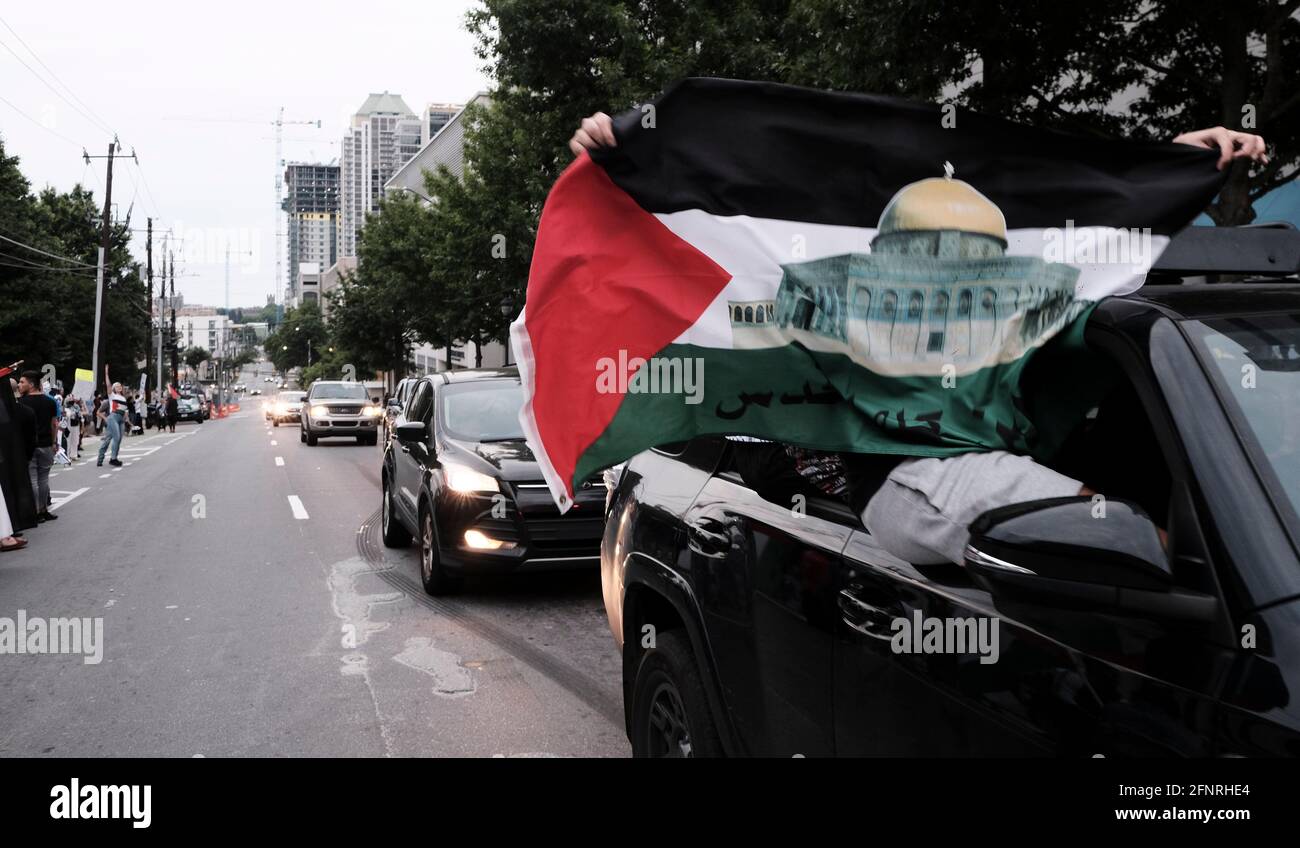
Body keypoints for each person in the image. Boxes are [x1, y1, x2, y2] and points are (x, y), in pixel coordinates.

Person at [570, 112, 1268, 565]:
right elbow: (709, 272)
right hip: (911, 476)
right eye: (925, 261)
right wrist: (628, 155)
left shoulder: (1047, 313)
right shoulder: (826, 314)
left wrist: (1169, 173)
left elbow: (1110, 268)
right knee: (1140, 547)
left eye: (972, 267)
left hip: (1001, 471)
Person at [16, 371, 59, 522]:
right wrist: (54, 443)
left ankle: (35, 512)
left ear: (32, 384)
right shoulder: (50, 402)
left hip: (28, 446)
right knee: (44, 479)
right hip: (46, 444)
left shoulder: (21, 403)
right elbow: (54, 424)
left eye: (22, 382)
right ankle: (43, 510)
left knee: (32, 479)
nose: (19, 385)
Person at [97, 378, 128, 467]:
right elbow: (98, 412)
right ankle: (105, 458)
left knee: (118, 439)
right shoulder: (110, 398)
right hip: (112, 419)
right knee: (110, 440)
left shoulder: (123, 399)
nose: (119, 387)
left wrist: (126, 419)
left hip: (120, 420)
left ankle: (113, 458)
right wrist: (106, 419)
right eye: (117, 386)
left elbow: (125, 411)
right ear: (113, 389)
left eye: (120, 386)